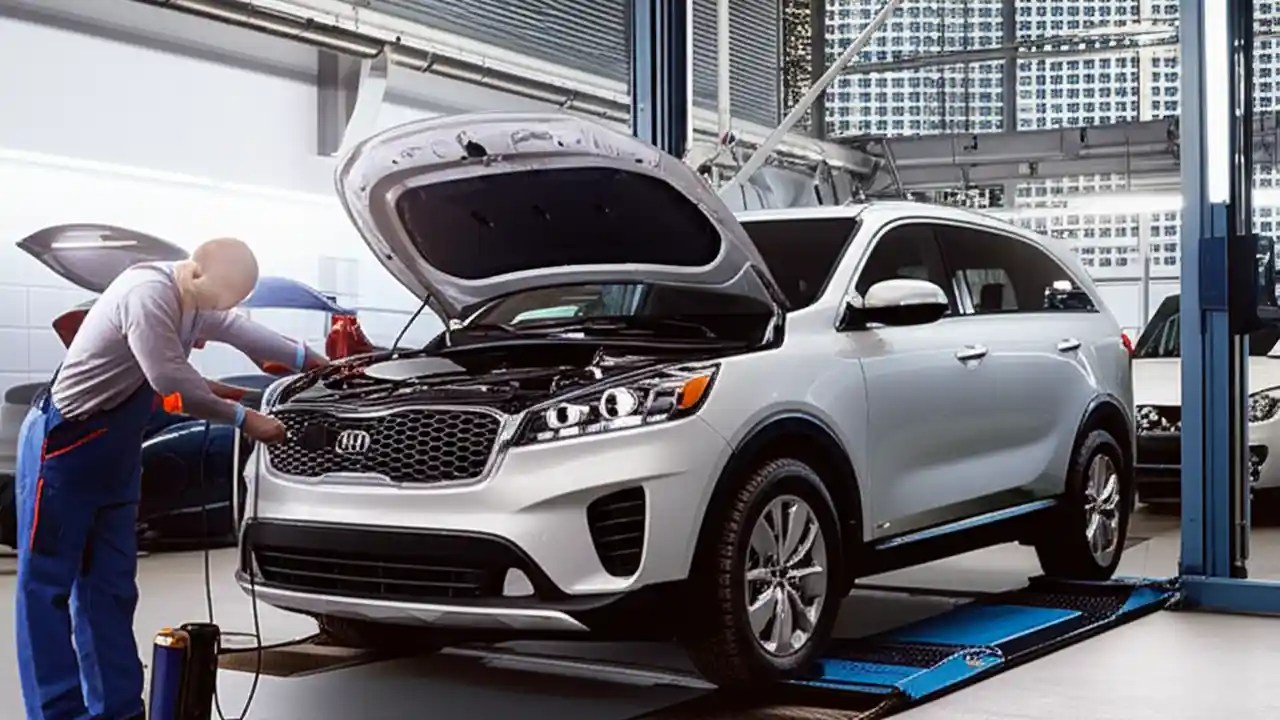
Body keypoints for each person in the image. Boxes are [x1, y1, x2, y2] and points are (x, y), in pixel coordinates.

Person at [13, 237, 327, 720]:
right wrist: (247, 420)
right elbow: (170, 380)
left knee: (111, 589)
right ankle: (56, 714)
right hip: (64, 448)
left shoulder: (197, 297)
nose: (212, 318)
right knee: (47, 588)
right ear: (194, 270)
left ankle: (117, 709)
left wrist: (320, 364)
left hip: (114, 458)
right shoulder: (148, 294)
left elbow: (246, 333)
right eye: (215, 301)